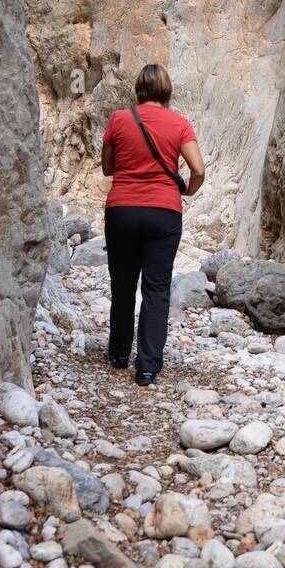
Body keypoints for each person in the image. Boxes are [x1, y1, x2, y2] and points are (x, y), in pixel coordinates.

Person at [100, 63, 205, 386]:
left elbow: (107, 168)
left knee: (123, 283)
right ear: (167, 90)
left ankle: (119, 353)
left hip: (123, 211)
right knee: (157, 288)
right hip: (163, 213)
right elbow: (198, 169)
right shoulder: (180, 124)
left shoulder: (119, 119)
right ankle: (147, 367)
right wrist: (185, 190)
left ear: (138, 89)